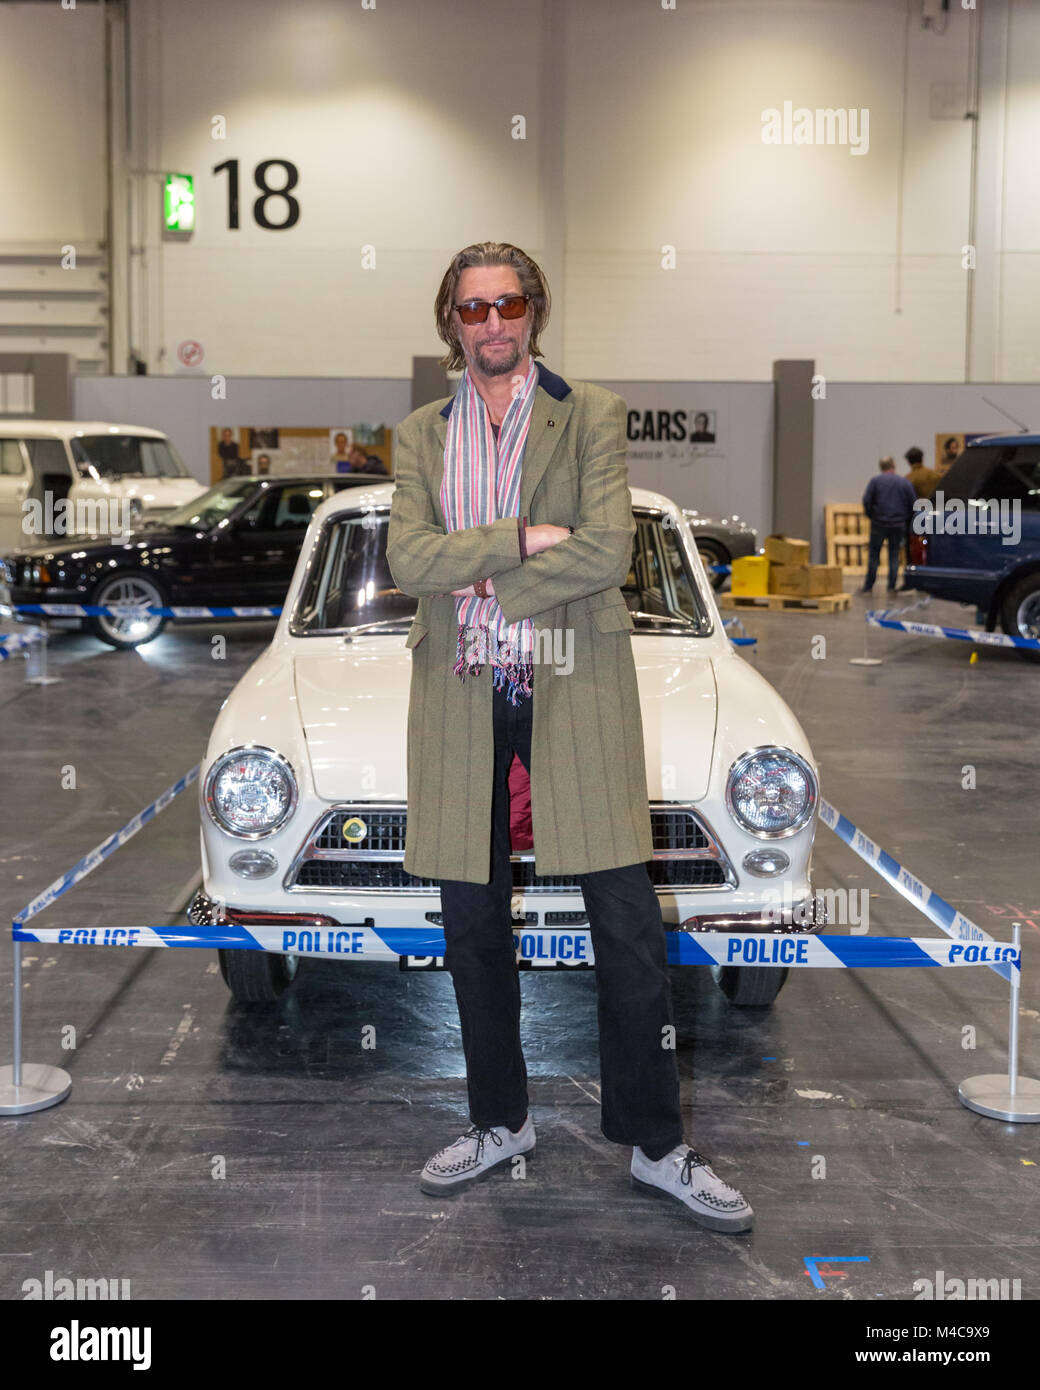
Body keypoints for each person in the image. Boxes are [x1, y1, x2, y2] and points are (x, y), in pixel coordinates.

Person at [386, 240, 753, 1233]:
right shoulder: (419, 433)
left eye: (507, 304)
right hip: (463, 691)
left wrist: (478, 574)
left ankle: (655, 1144)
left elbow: (606, 549)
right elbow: (405, 554)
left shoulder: (588, 412)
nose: (491, 322)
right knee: (470, 924)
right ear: (449, 321)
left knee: (626, 921)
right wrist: (516, 536)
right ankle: (497, 1121)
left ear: (533, 311)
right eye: (472, 309)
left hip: (571, 684)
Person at [860, 456, 917, 594]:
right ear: (893, 465)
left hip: (879, 523)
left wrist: (871, 515)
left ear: (881, 467)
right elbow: (913, 502)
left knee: (874, 554)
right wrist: (907, 519)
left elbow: (866, 500)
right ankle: (891, 586)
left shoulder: (875, 481)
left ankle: (869, 586)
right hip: (898, 524)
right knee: (894, 554)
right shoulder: (904, 482)